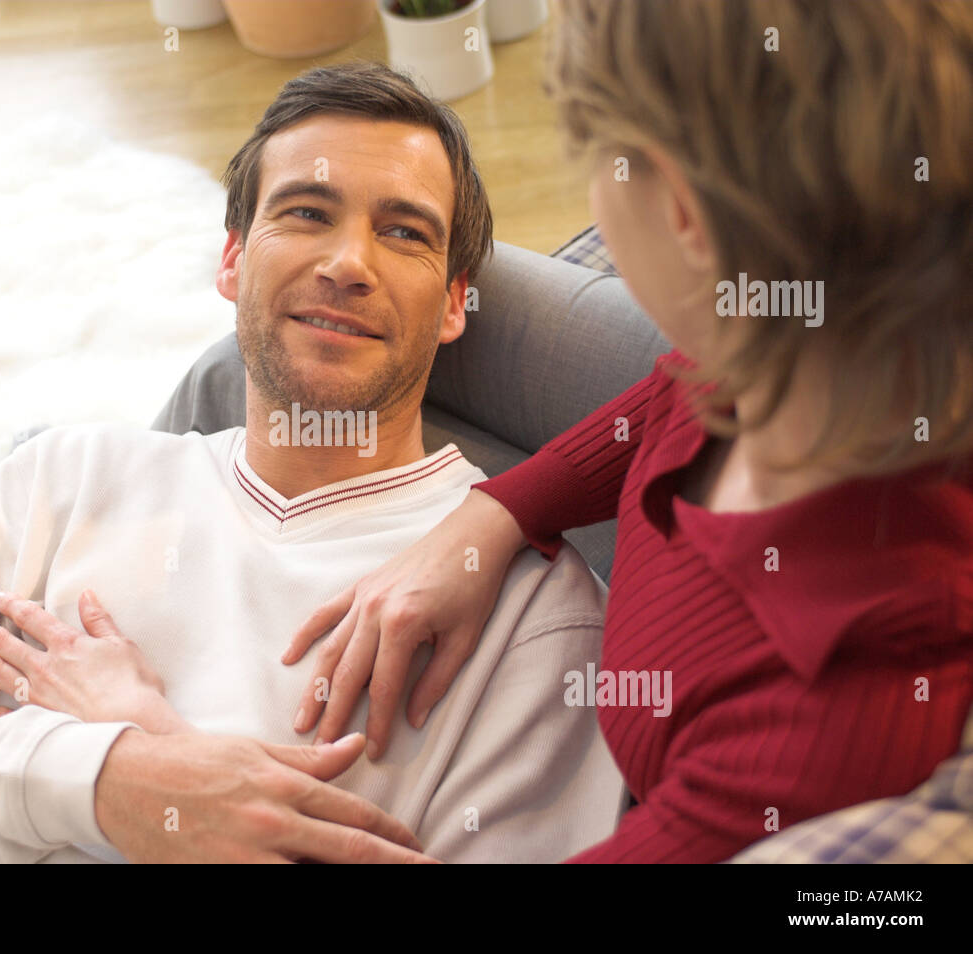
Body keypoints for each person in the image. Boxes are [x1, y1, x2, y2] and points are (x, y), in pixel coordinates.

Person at [0, 62, 626, 864]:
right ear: (231, 259)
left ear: (452, 305)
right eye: (306, 212)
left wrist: (137, 750)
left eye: (402, 232)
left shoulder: (529, 612)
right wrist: (109, 777)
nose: (346, 263)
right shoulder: (64, 479)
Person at [284, 0, 973, 862]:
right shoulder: (813, 322)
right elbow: (678, 390)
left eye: (600, 166)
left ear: (681, 210)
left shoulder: (823, 733)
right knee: (242, 370)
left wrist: (161, 753)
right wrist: (489, 518)